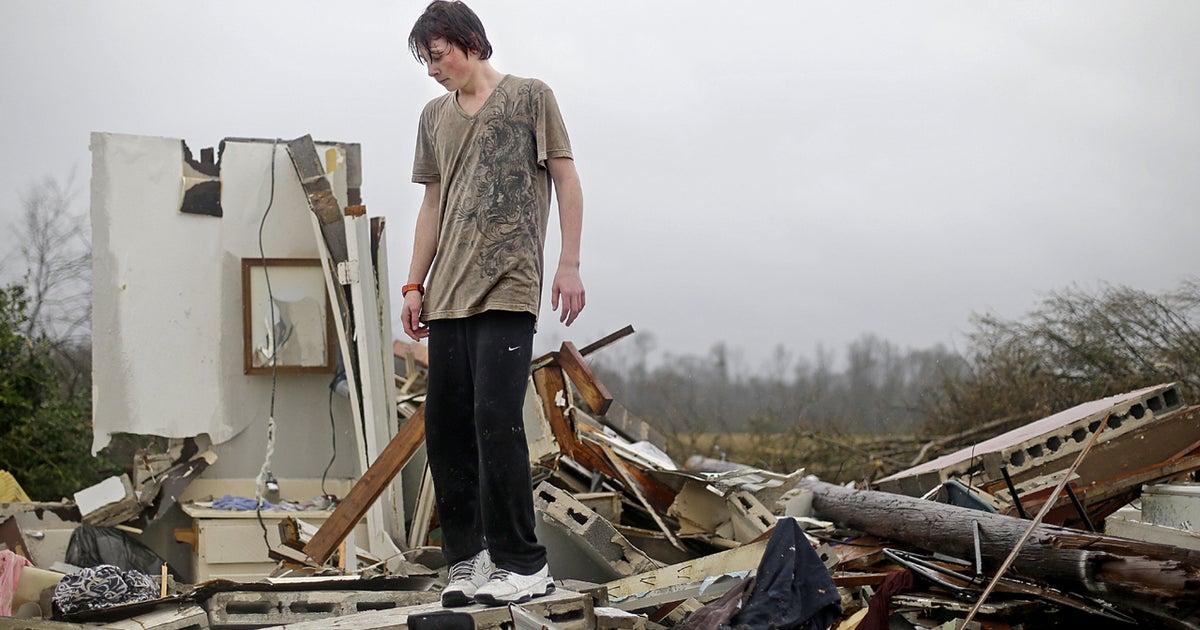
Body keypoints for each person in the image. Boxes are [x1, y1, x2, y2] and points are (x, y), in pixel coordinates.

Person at [401, 0, 585, 608]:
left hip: (508, 284)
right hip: (447, 294)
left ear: (470, 43)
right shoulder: (433, 117)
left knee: (495, 421)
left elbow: (566, 179)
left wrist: (568, 263)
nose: (433, 70)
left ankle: (523, 564)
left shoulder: (531, 96)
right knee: (446, 430)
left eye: (438, 56)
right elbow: (432, 205)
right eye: (427, 62)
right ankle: (469, 559)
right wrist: (413, 284)